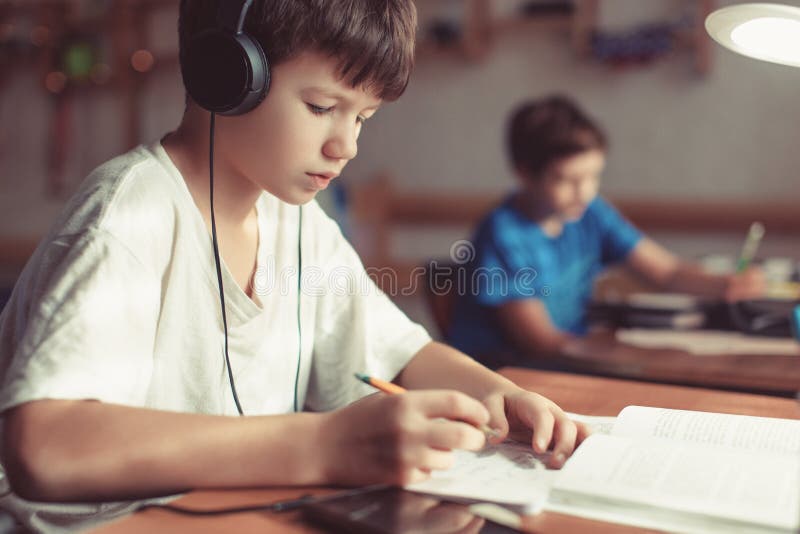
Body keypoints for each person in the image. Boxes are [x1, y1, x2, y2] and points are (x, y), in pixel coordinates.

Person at [0, 2, 588, 532]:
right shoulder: (131, 217)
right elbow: (45, 447)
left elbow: (399, 356)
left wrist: (502, 395)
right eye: (322, 107)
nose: (347, 146)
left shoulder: (298, 224)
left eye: (362, 118)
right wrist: (321, 445)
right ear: (228, 77)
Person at [448, 95, 765, 369]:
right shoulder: (503, 234)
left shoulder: (590, 212)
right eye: (567, 180)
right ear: (524, 173)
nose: (584, 192)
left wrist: (722, 284)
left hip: (565, 361)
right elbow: (541, 343)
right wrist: (636, 353)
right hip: (509, 373)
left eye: (593, 176)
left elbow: (666, 271)